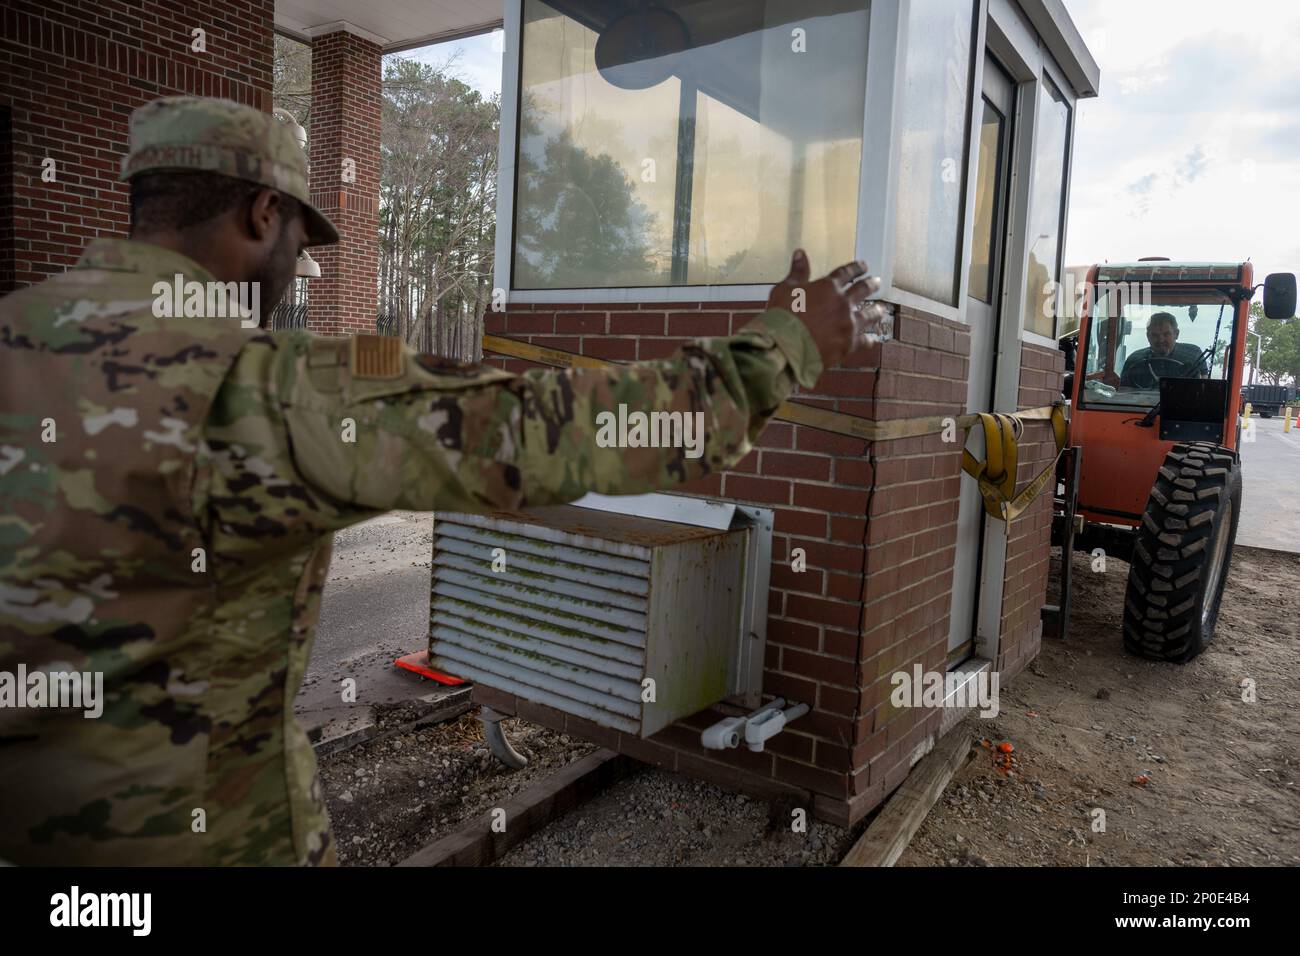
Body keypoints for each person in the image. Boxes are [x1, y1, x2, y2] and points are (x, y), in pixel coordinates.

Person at [0, 96, 884, 865]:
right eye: (300, 244)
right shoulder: (268, 386)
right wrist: (783, 348)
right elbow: (557, 430)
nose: (295, 272)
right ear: (264, 213)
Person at [1119, 311, 1208, 388]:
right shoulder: (1134, 360)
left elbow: (1204, 387)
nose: (1161, 340)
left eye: (1166, 334)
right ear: (1148, 336)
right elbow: (1123, 391)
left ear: (1176, 334)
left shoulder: (1194, 355)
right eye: (1155, 335)